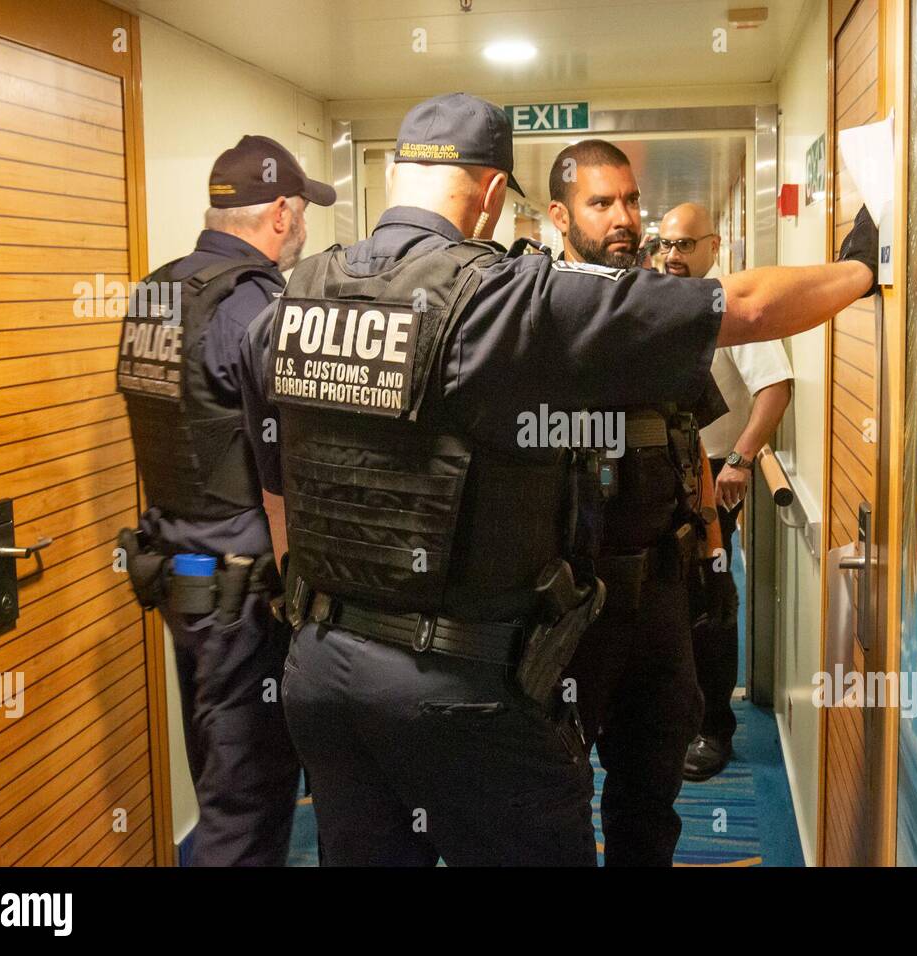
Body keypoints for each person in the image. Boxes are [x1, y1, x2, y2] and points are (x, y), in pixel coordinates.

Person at [239, 92, 880, 866]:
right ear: (488, 195)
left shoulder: (287, 301)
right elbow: (739, 307)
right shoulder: (503, 301)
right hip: (458, 685)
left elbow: (274, 490)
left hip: (319, 675)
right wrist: (859, 269)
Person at [115, 134, 334, 865]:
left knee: (219, 770)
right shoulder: (255, 307)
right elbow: (292, 458)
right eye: (302, 212)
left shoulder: (153, 290)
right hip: (246, 592)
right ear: (280, 212)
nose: (303, 228)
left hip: (181, 575)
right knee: (250, 793)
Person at [546, 140, 721, 865]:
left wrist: (712, 550)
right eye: (600, 203)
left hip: (661, 594)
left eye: (630, 200)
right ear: (560, 215)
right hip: (567, 602)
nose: (623, 218)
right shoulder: (531, 315)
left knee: (650, 789)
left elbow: (690, 440)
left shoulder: (658, 310)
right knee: (551, 793)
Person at [658, 202, 794, 782]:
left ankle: (715, 729)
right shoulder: (658, 302)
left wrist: (741, 459)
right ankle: (671, 716)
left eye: (686, 244)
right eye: (665, 244)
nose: (672, 256)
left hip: (714, 473)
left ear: (714, 245)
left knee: (711, 601)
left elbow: (776, 387)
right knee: (667, 599)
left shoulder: (729, 305)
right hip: (663, 470)